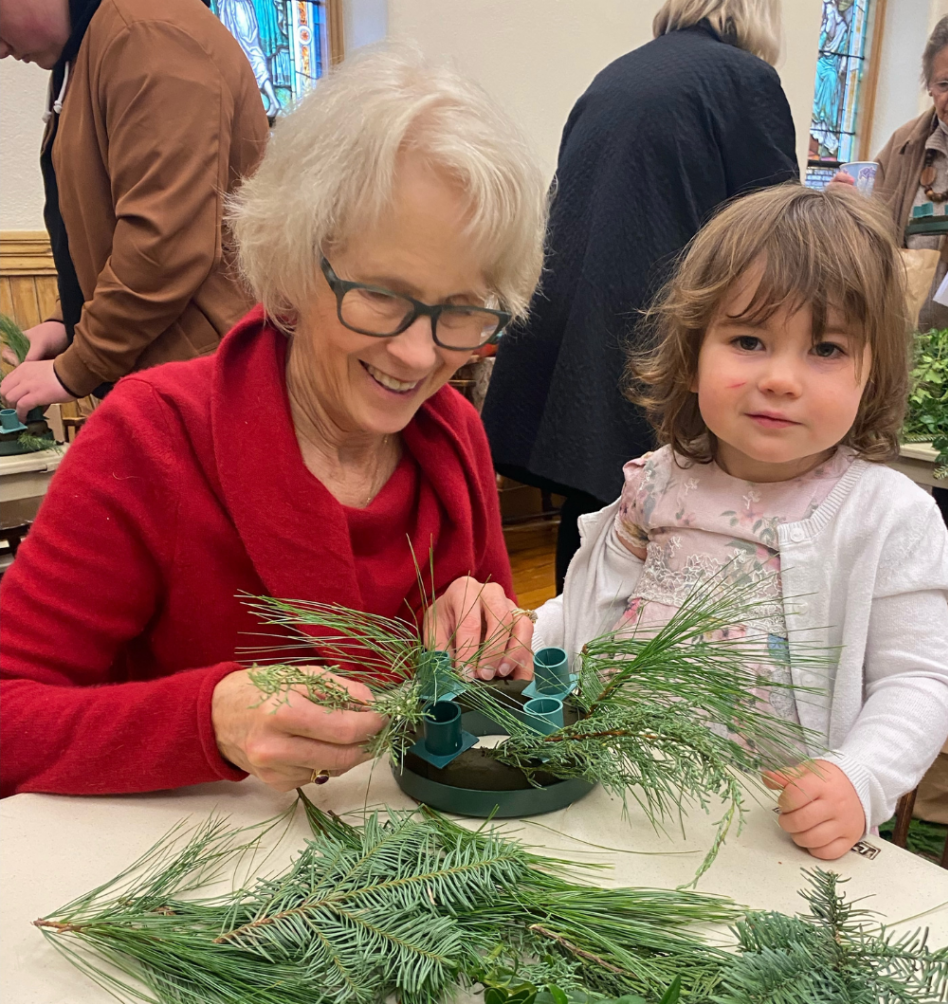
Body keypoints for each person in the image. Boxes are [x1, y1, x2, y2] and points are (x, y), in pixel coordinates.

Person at [0, 49, 547, 798]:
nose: (419, 355)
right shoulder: (152, 436)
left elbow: (483, 714)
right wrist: (208, 721)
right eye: (381, 296)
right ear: (292, 264)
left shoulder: (453, 436)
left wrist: (488, 635)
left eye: (461, 311)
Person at [533, 185, 948, 861]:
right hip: (619, 794)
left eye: (826, 349)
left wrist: (859, 777)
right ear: (693, 354)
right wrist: (525, 637)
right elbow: (594, 609)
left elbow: (919, 680)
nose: (781, 379)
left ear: (872, 373)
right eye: (749, 340)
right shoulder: (657, 483)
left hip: (776, 836)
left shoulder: (886, 517)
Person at [482, 0, 798, 590]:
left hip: (571, 332)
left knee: (593, 513)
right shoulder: (744, 78)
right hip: (651, 337)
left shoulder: (617, 74)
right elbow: (779, 242)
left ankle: (575, 643)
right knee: (662, 524)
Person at [0, 0, 268, 414]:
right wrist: (66, 323)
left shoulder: (147, 33)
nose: (1, 51)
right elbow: (104, 225)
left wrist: (76, 367)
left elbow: (165, 246)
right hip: (172, 377)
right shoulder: (94, 43)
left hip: (206, 385)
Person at [831, 1, 948, 530]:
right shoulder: (906, 142)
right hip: (903, 329)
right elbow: (875, 228)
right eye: (942, 84)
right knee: (884, 461)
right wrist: (849, 204)